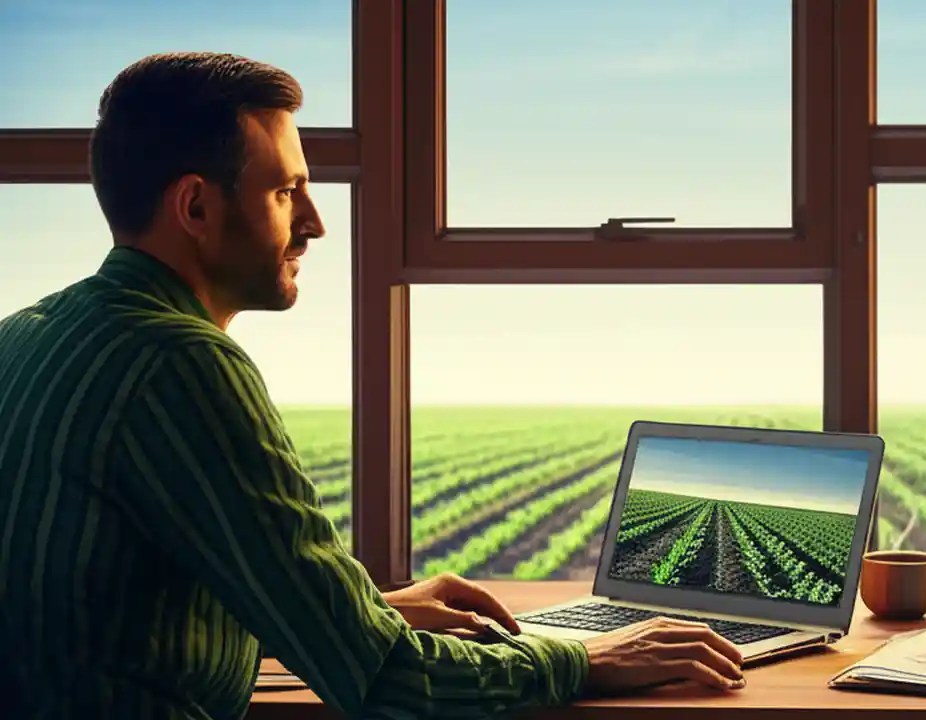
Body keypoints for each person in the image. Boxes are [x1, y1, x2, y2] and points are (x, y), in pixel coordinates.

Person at [0, 52, 743, 719]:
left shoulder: (30, 332)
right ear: (195, 206)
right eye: (287, 192)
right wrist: (588, 660)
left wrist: (361, 612)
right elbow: (390, 682)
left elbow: (111, 618)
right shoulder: (179, 364)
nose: (316, 223)